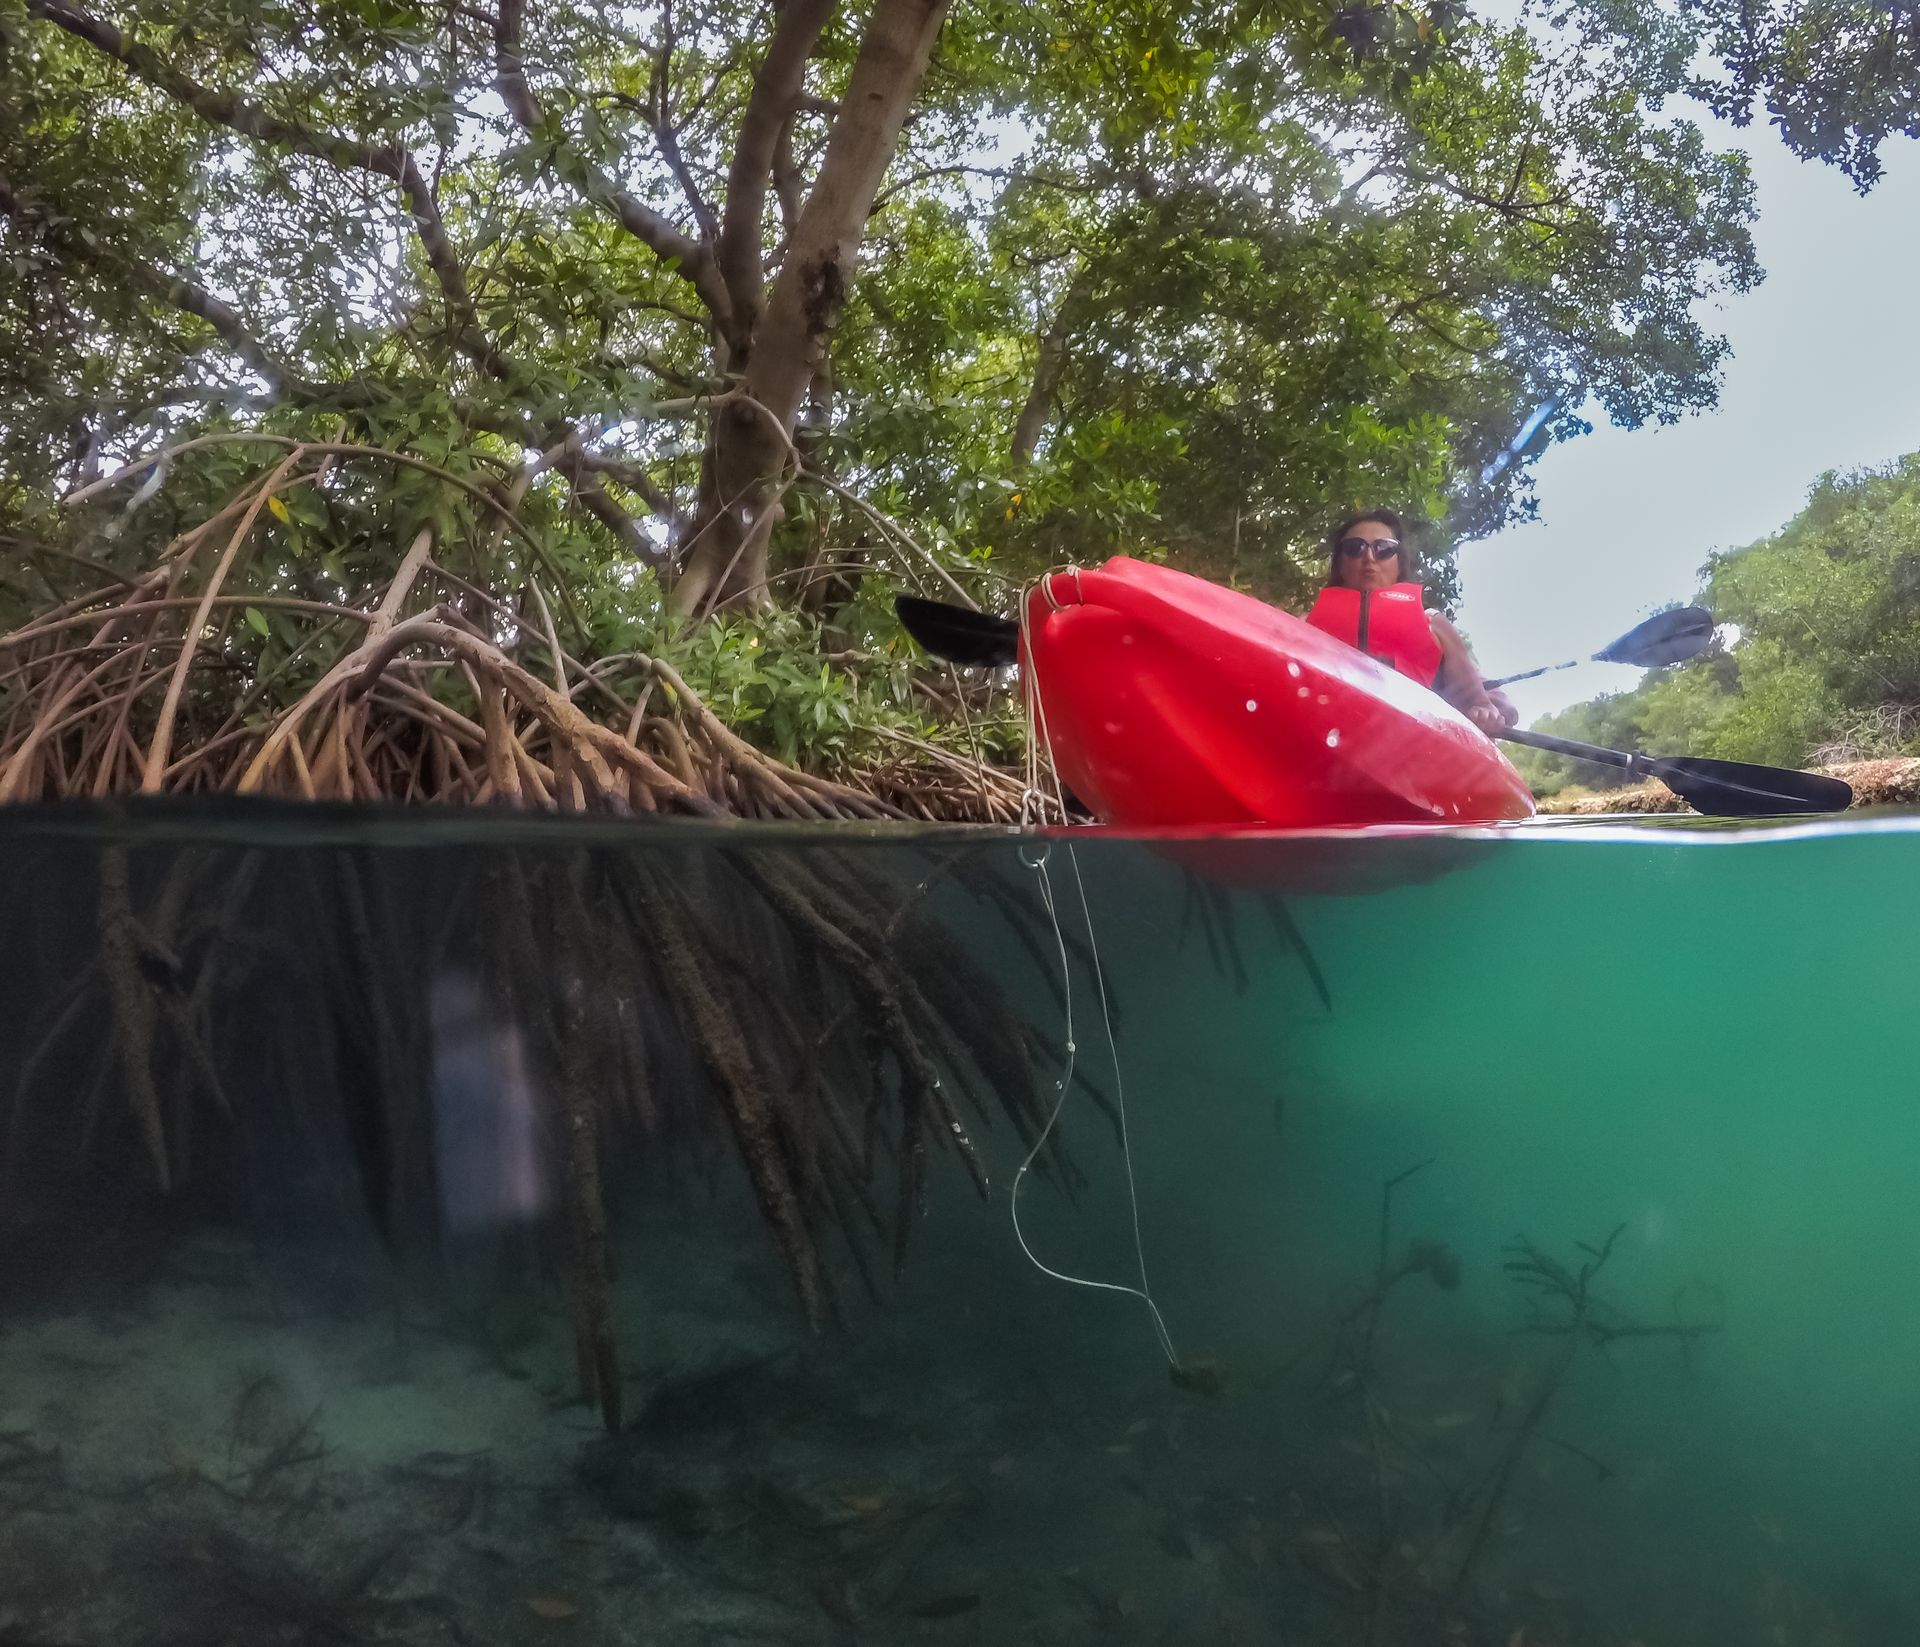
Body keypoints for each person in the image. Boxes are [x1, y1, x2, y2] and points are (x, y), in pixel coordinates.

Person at [1304, 509, 1517, 734]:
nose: (1369, 558)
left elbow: (1480, 703)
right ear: (1340, 563)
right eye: (1354, 548)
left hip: (1410, 750)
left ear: (1399, 563)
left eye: (1383, 549)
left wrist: (1487, 712)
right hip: (1323, 740)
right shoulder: (1305, 624)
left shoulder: (1434, 624)